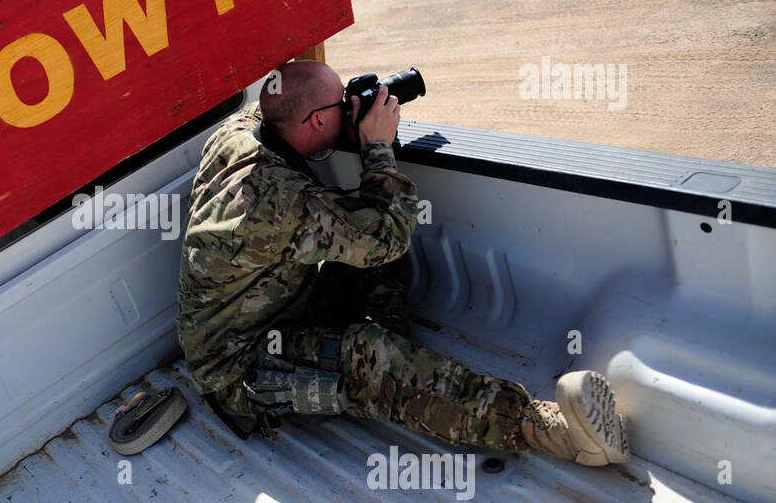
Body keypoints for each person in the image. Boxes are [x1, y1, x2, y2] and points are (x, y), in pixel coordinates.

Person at [175, 59, 630, 466]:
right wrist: (375, 146)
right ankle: (552, 431)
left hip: (275, 307)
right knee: (371, 342)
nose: (349, 107)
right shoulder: (280, 204)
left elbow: (284, 109)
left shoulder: (235, 134)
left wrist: (343, 113)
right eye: (340, 105)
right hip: (240, 367)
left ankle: (392, 381)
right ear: (315, 120)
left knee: (363, 248)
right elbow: (389, 236)